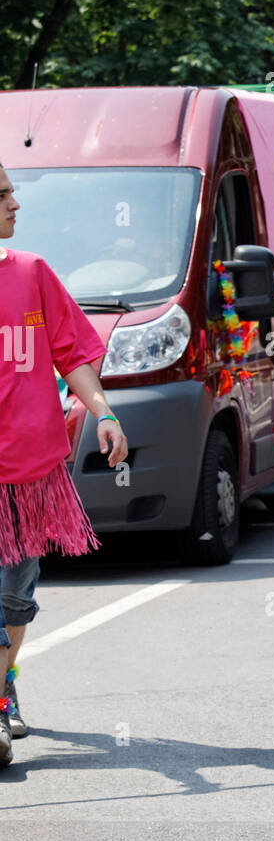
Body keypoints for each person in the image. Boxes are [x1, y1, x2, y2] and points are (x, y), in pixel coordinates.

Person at [0, 163, 128, 765]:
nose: (15, 203)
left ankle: (4, 688)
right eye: (3, 194)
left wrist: (103, 411)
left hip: (30, 471)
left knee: (16, 598)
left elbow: (72, 355)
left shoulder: (30, 274)